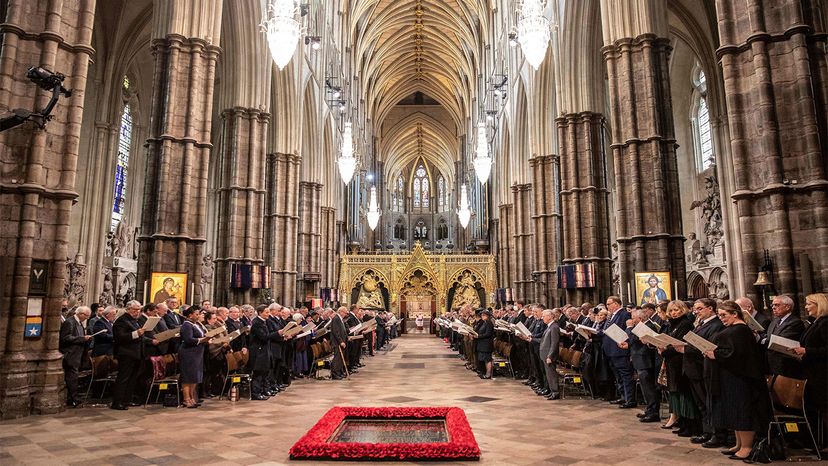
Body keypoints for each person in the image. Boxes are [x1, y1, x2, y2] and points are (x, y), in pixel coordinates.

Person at [703, 300, 771, 460]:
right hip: (731, 378)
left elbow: (736, 355)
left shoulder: (740, 331)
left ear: (735, 314)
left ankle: (747, 447)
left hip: (741, 380)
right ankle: (739, 444)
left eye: (724, 315)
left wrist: (716, 354)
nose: (721, 318)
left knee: (742, 413)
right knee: (734, 412)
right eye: (719, 315)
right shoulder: (734, 329)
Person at [683, 298, 726, 447]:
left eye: (700, 308)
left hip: (703, 368)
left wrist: (685, 348)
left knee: (709, 402)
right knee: (701, 403)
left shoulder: (716, 325)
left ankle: (717, 433)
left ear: (710, 309)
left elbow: (709, 345)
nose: (696, 312)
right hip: (695, 368)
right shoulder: (701, 323)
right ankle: (706, 431)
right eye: (696, 309)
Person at [658, 300, 699, 436]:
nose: (674, 313)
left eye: (676, 310)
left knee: (684, 393)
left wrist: (664, 351)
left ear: (682, 309)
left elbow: (680, 344)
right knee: (676, 392)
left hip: (681, 362)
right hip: (672, 362)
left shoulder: (685, 323)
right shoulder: (671, 324)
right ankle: (681, 421)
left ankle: (689, 424)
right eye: (671, 310)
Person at [793, 293, 828, 449]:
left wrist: (806, 351)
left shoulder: (825, 323)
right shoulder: (816, 322)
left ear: (819, 304)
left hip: (822, 374)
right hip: (811, 372)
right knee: (816, 408)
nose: (806, 307)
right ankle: (820, 442)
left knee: (825, 408)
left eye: (808, 304)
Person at [621, 308, 659, 422]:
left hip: (646, 361)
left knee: (649, 388)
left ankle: (653, 412)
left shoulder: (647, 326)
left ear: (640, 318)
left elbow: (633, 339)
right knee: (645, 388)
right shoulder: (640, 326)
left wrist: (629, 328)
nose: (631, 320)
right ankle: (649, 409)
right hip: (640, 360)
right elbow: (633, 340)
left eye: (633, 318)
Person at [600, 296, 635, 408]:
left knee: (625, 376)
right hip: (611, 351)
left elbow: (628, 332)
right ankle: (623, 396)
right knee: (618, 376)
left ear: (616, 303)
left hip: (620, 350)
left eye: (609, 304)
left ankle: (630, 399)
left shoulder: (624, 314)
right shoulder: (611, 316)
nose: (607, 306)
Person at [111, 300, 145, 410]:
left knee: (132, 378)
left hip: (135, 353)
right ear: (128, 309)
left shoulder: (135, 320)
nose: (137, 312)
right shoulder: (121, 321)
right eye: (135, 310)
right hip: (126, 353)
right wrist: (136, 334)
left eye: (139, 310)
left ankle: (126, 400)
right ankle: (118, 402)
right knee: (123, 378)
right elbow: (119, 337)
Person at [764, 295, 805, 378]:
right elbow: (768, 336)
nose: (773, 307)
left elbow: (780, 340)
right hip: (772, 364)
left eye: (777, 305)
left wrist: (761, 340)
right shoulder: (774, 321)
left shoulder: (795, 322)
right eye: (772, 305)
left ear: (787, 307)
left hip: (786, 365)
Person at [59, 306, 92, 407]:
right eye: (86, 316)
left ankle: (73, 398)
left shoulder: (79, 323)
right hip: (71, 354)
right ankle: (73, 399)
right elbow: (65, 337)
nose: (86, 318)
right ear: (81, 314)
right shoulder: (70, 322)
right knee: (72, 377)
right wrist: (82, 339)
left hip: (77, 354)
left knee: (74, 376)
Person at [179, 306, 211, 408]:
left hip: (197, 353)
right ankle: (186, 399)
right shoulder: (186, 325)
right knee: (187, 376)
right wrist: (202, 340)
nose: (198, 316)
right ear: (190, 315)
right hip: (189, 353)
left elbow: (201, 335)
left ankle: (192, 397)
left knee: (194, 376)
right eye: (196, 314)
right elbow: (188, 339)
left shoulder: (195, 324)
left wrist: (207, 339)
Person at [248, 305, 272, 400]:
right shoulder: (256, 323)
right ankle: (255, 393)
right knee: (258, 373)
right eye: (266, 312)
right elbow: (263, 337)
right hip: (258, 352)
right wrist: (278, 333)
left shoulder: (263, 322)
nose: (268, 314)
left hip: (263, 351)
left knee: (263, 372)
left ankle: (261, 391)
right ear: (260, 312)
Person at [539, 309, 561, 400]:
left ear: (550, 316)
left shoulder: (554, 327)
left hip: (549, 355)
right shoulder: (549, 326)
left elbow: (554, 343)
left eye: (543, 316)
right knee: (548, 374)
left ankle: (555, 392)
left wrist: (550, 356)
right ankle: (552, 391)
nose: (542, 318)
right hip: (545, 354)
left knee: (552, 374)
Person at [474, 308, 495, 379]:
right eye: (481, 315)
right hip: (482, 343)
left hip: (487, 344)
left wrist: (478, 336)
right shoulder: (485, 322)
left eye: (483, 315)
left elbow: (488, 334)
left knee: (487, 359)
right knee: (484, 359)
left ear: (487, 316)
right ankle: (485, 373)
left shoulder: (489, 323)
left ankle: (488, 374)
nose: (482, 316)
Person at [330, 306, 349, 379]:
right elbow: (336, 332)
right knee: (337, 358)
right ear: (340, 311)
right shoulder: (336, 319)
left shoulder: (340, 319)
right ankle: (335, 374)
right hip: (337, 342)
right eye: (344, 312)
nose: (345, 314)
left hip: (341, 342)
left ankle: (340, 372)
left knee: (341, 358)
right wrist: (341, 341)